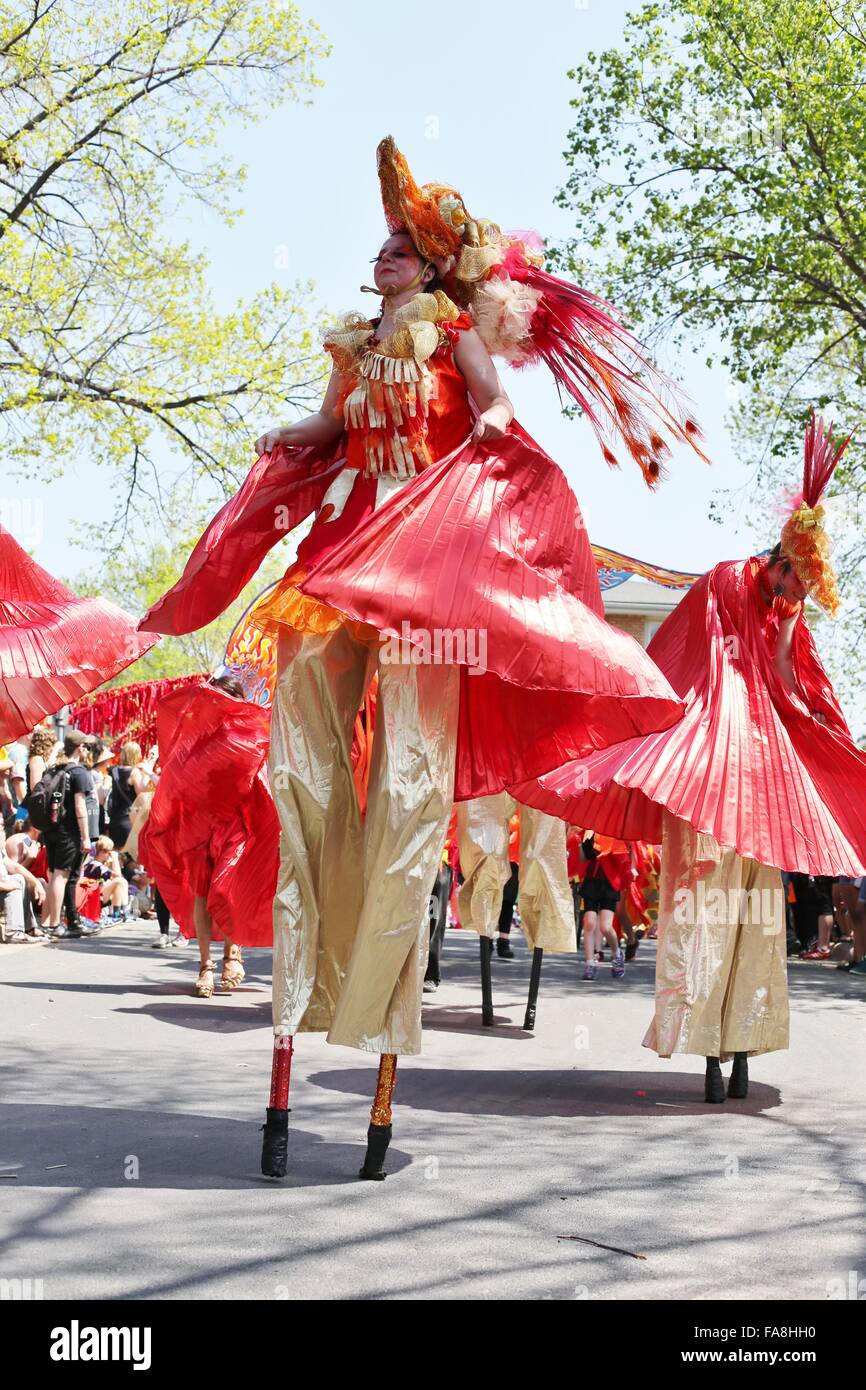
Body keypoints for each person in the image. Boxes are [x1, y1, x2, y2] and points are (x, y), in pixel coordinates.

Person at [140, 134, 708, 1179]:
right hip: (337, 570)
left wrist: (493, 439)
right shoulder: (352, 349)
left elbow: (492, 414)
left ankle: (382, 1025)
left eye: (403, 245)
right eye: (382, 246)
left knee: (408, 786)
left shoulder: (455, 342)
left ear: (437, 264)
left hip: (429, 574)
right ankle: (301, 975)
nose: (384, 256)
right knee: (303, 770)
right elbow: (323, 430)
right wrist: (279, 440)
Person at [516, 412, 866, 1101]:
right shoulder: (726, 581)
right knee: (702, 903)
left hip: (760, 779)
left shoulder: (780, 613)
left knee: (756, 911)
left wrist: (797, 657)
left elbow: (788, 684)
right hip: (709, 764)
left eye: (804, 594)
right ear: (782, 560)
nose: (799, 598)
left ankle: (740, 1043)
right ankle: (705, 1041)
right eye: (797, 585)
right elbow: (703, 671)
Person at [138, 675, 278, 996]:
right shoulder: (193, 739)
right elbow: (177, 782)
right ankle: (206, 965)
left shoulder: (253, 735)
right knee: (202, 892)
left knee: (227, 887)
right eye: (213, 700)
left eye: (223, 700)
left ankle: (233, 952)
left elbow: (262, 777)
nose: (216, 706)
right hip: (199, 824)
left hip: (235, 823)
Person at [42, 730, 97, 939]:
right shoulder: (79, 772)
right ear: (79, 748)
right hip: (69, 830)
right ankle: (55, 923)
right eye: (85, 746)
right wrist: (85, 836)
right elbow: (80, 806)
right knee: (61, 875)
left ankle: (65, 921)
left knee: (58, 874)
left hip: (52, 828)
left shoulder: (56, 769)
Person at [107, 742, 155, 850]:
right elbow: (142, 796)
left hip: (115, 819)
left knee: (118, 857)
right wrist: (147, 774)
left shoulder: (114, 770)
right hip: (130, 820)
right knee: (132, 861)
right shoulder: (134, 773)